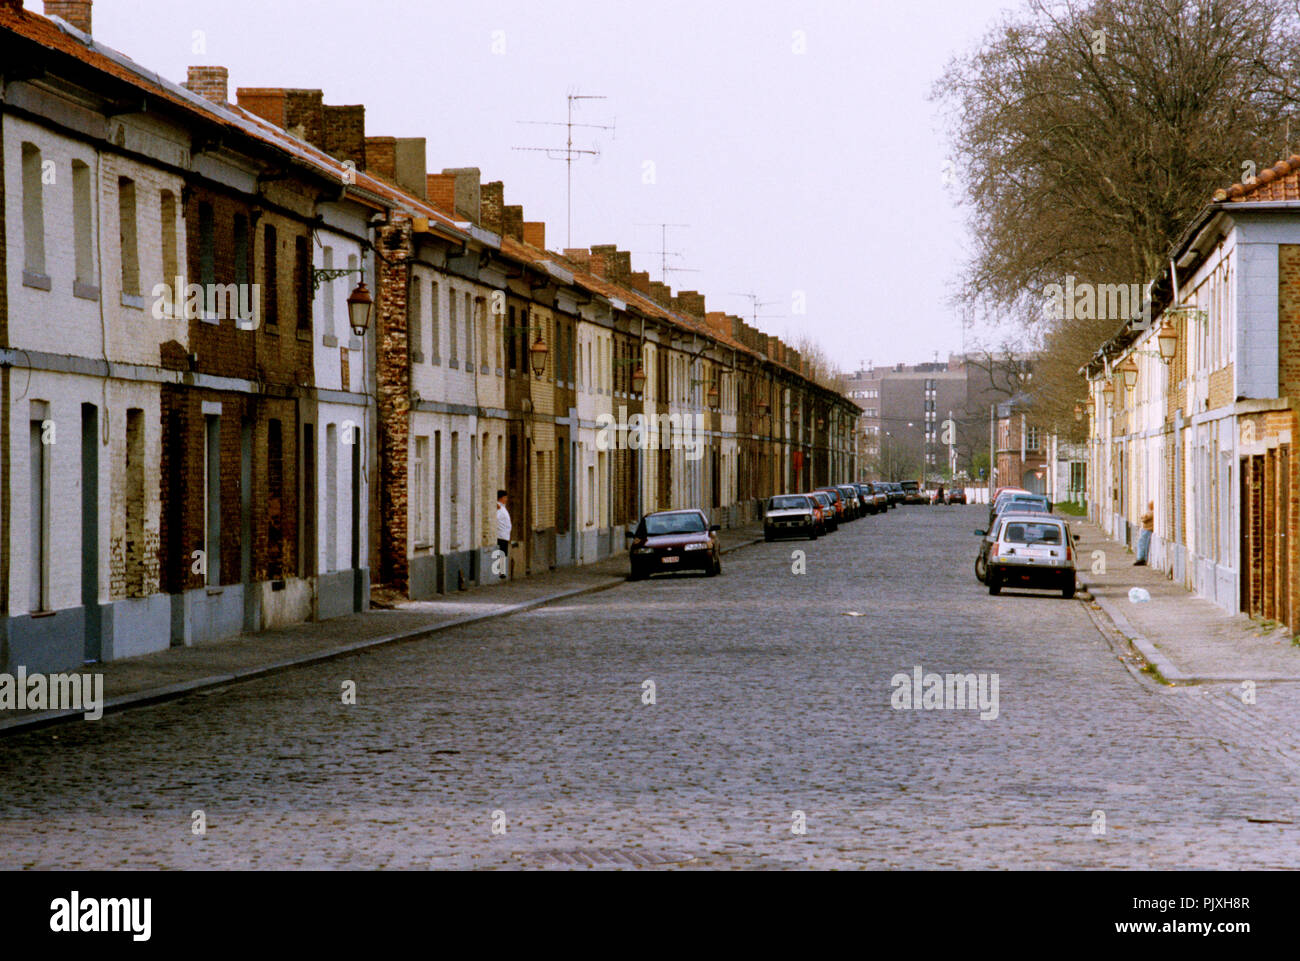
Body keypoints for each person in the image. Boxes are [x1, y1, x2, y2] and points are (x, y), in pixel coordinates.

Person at [495, 490, 511, 579]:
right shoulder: (499, 508)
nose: (506, 499)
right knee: (502, 553)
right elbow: (496, 518)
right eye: (505, 497)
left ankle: (502, 571)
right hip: (501, 534)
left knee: (503, 553)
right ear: (501, 498)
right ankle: (500, 571)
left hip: (504, 534)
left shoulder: (502, 507)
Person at [1135, 500, 1154, 566]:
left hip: (1148, 530)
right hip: (1146, 529)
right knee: (1142, 543)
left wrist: (1143, 517)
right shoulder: (1150, 513)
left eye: (1150, 505)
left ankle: (1141, 558)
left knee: (1143, 544)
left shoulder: (1151, 513)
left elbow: (1144, 518)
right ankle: (1141, 558)